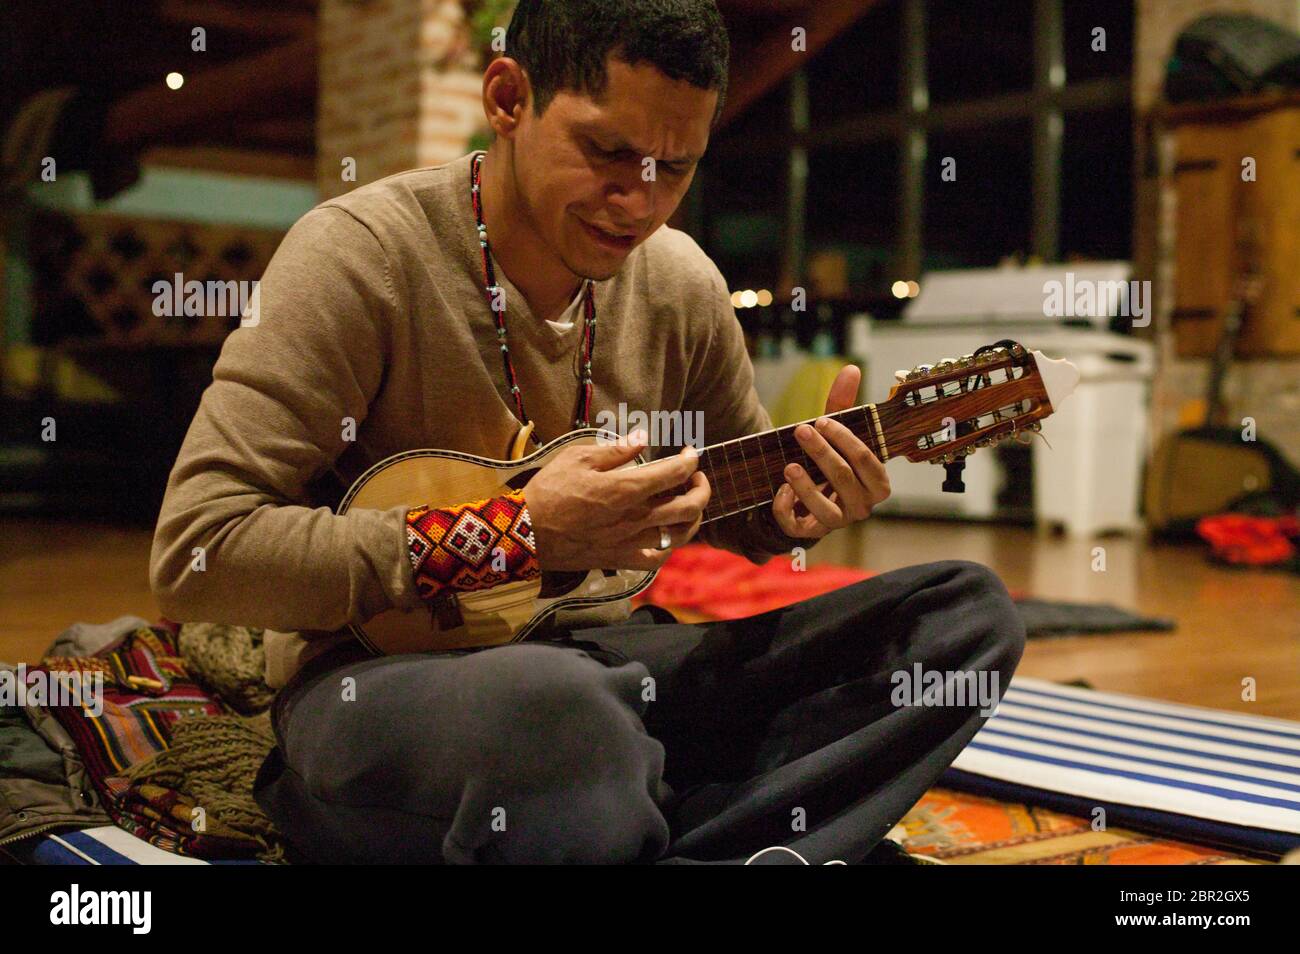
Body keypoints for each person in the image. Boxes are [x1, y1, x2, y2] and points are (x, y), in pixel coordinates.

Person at [149, 0, 1024, 864]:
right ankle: (722, 824)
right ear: (507, 99)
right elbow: (198, 553)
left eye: (675, 169)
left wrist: (801, 503)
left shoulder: (681, 284)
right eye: (608, 153)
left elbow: (731, 504)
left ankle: (623, 822)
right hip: (385, 687)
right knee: (559, 716)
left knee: (961, 621)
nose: (638, 203)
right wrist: (516, 534)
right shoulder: (360, 255)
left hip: (615, 662)